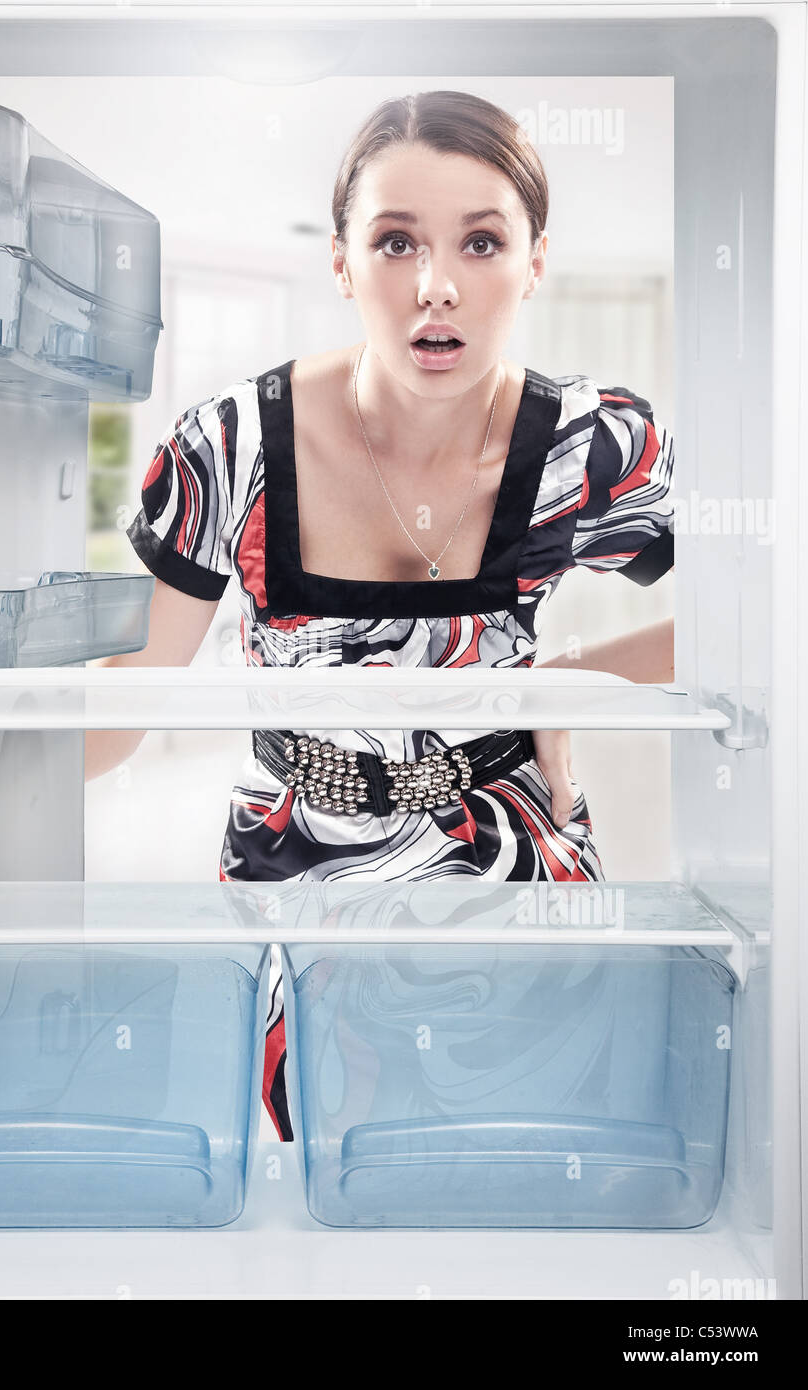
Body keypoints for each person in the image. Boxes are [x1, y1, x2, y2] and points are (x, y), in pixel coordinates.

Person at [84, 91, 675, 1142]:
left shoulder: (596, 445)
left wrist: (574, 675)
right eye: (396, 241)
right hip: (293, 879)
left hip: (518, 866)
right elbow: (122, 712)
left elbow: (765, 611)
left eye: (482, 242)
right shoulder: (230, 447)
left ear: (536, 260)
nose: (435, 287)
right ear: (343, 262)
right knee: (327, 1186)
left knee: (525, 1178)